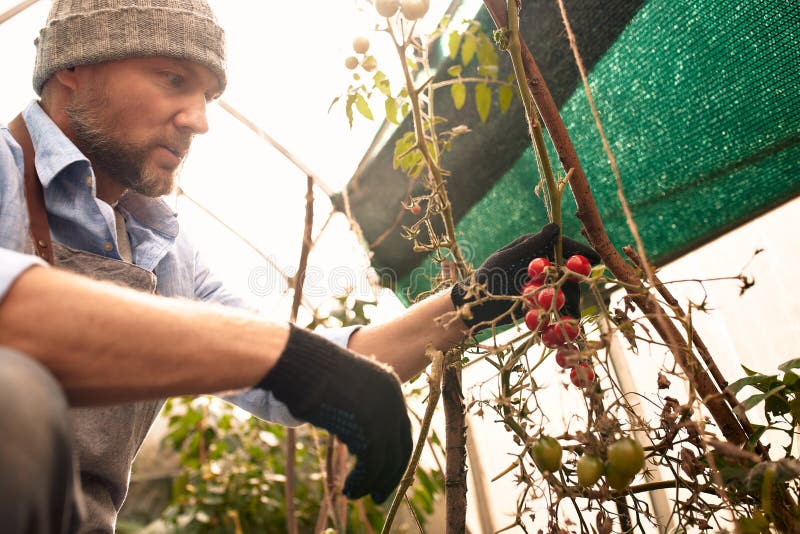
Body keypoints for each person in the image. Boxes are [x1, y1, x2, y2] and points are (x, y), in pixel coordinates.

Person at [0, 1, 600, 532]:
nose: (200, 120)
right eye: (173, 79)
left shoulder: (161, 250)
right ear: (72, 68)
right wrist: (291, 362)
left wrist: (477, 301)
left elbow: (300, 359)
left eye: (207, 96)